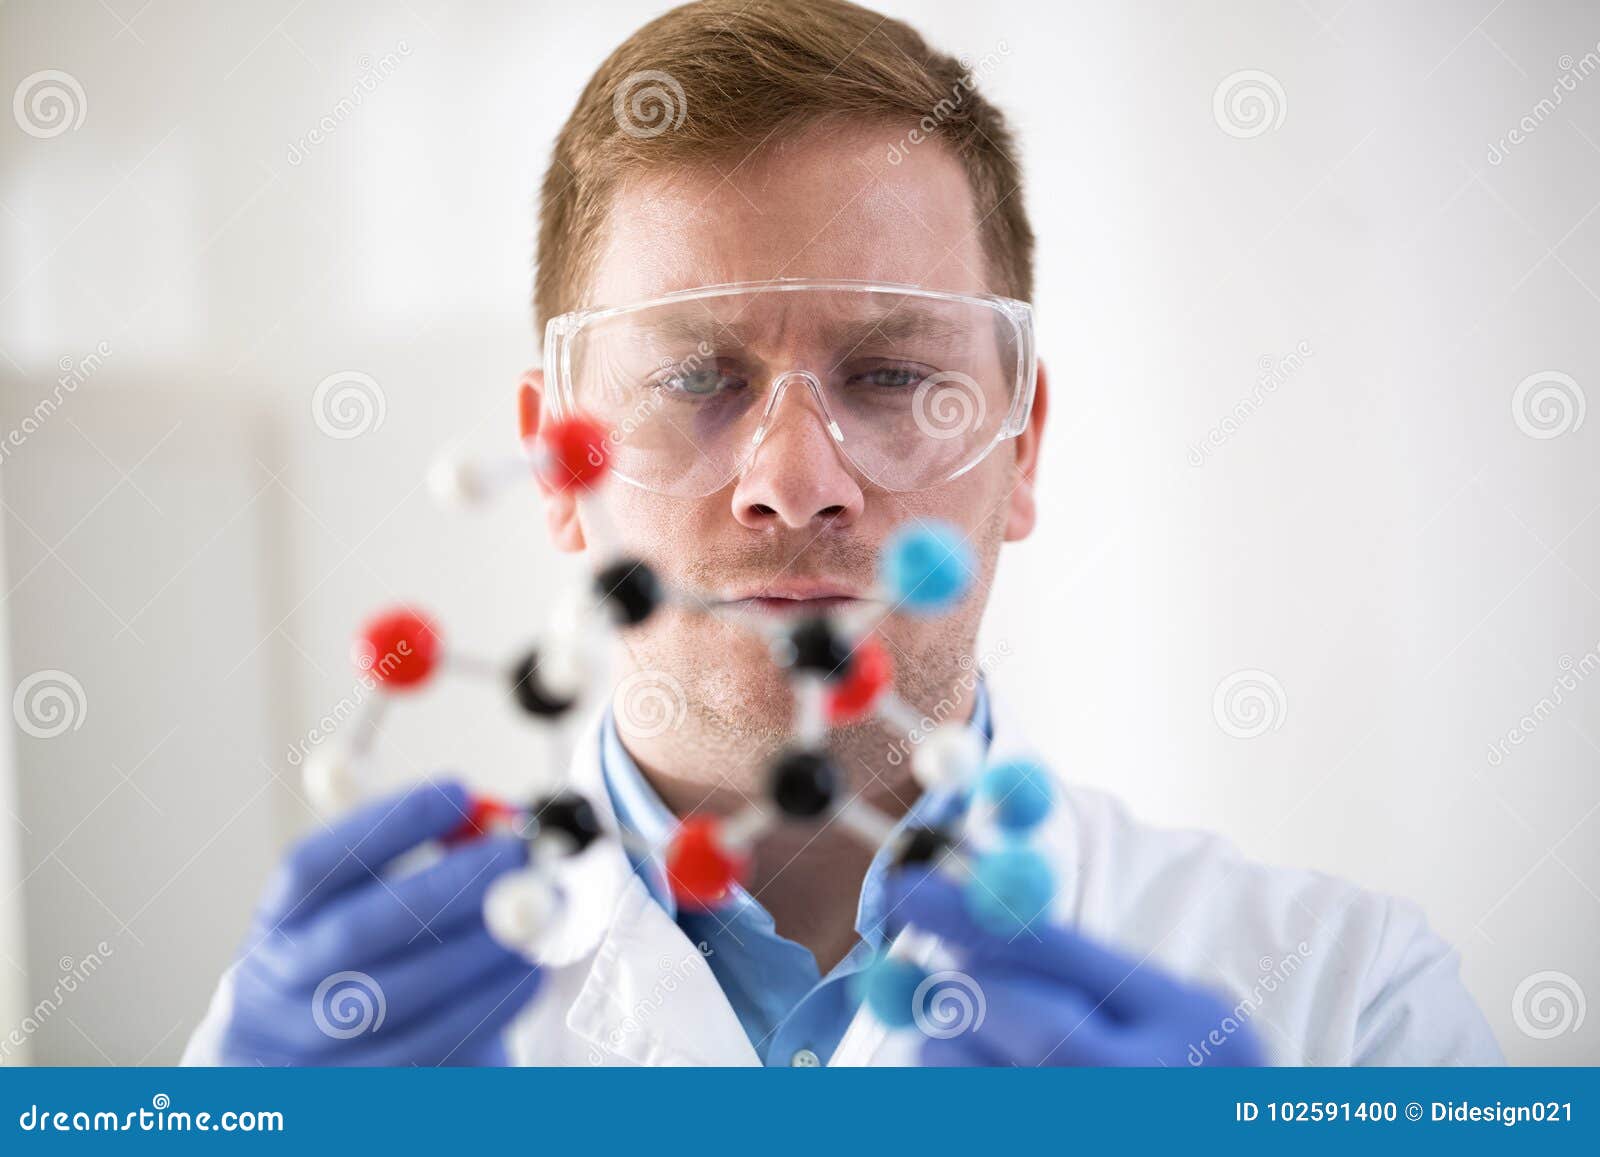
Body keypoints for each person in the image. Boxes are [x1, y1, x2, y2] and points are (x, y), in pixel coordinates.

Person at [182, 0, 1501, 1067]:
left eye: (887, 376)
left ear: (1023, 446)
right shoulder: (339, 1040)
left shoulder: (1342, 1007)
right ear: (555, 462)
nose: (794, 482)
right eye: (696, 379)